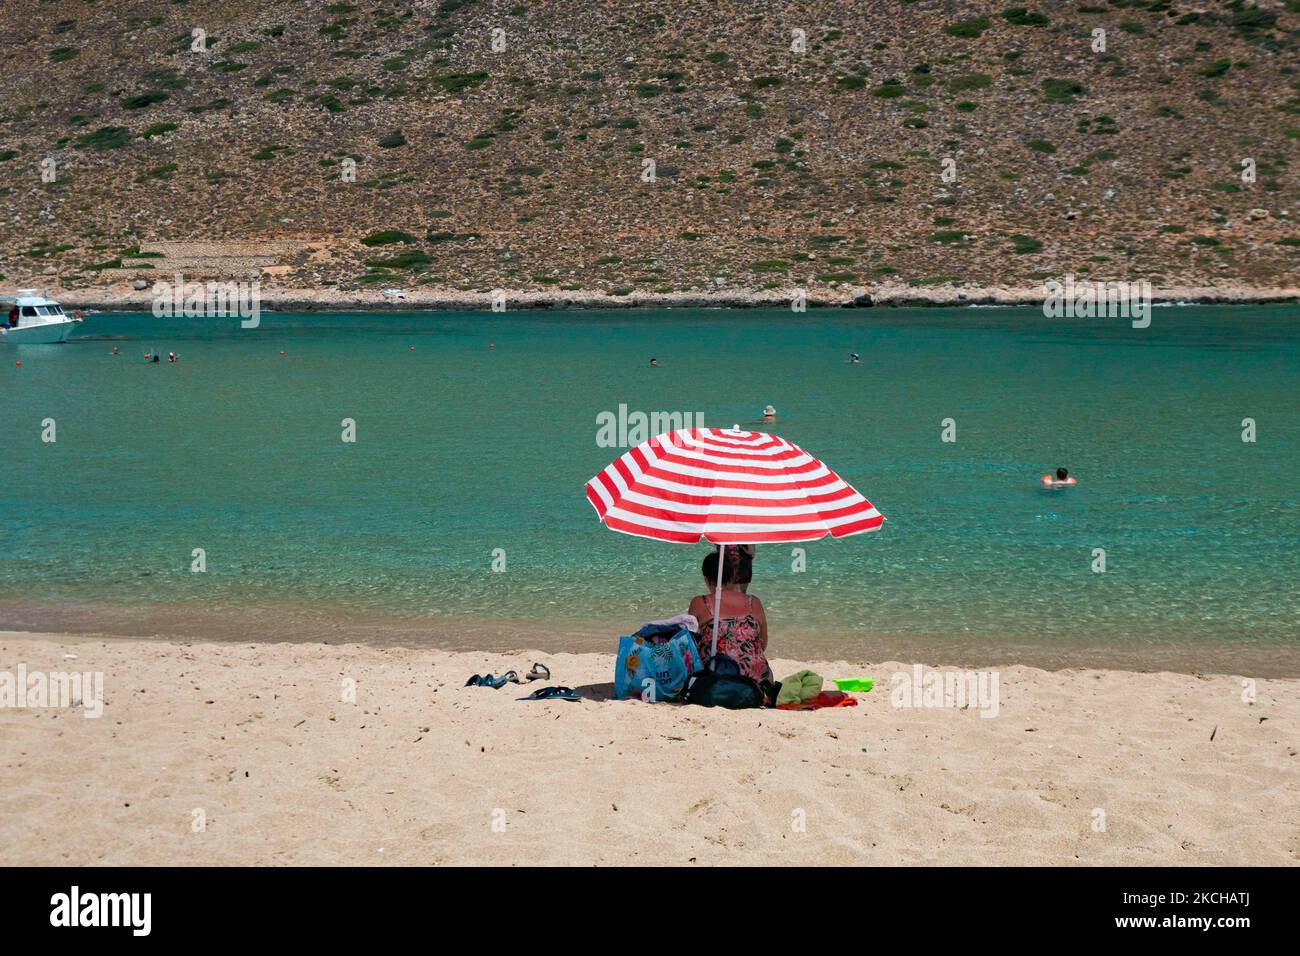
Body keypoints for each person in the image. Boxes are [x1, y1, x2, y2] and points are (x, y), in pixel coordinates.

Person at [688, 550, 770, 682]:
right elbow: (763, 643)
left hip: (716, 676)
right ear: (733, 575)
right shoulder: (753, 602)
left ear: (706, 579)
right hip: (756, 678)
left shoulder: (700, 603)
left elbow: (690, 645)